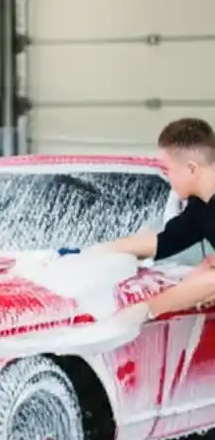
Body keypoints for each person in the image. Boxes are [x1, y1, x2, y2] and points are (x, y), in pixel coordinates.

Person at [66, 117, 215, 326]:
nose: (168, 179)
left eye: (168, 170)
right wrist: (94, 251)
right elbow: (166, 240)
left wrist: (143, 312)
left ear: (192, 168)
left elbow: (210, 283)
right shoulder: (201, 208)